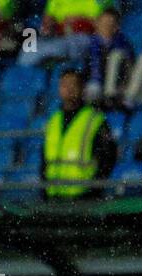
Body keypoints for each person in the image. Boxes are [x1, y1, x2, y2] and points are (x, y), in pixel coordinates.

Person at [42, 68, 116, 199]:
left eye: (73, 84)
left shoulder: (95, 119)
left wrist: (94, 188)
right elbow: (44, 158)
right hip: (54, 195)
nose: (69, 89)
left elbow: (108, 157)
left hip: (84, 197)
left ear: (82, 88)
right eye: (64, 84)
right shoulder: (53, 120)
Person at [81, 8, 133, 108]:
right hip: (95, 85)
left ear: (117, 27)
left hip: (117, 88)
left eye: (111, 24)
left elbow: (129, 69)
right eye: (104, 23)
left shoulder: (124, 45)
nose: (107, 27)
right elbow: (84, 69)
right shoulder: (89, 45)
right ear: (97, 24)